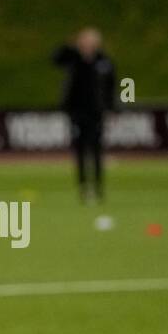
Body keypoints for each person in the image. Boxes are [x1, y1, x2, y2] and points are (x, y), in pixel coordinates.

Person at [53, 27, 117, 203]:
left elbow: (112, 86)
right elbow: (55, 59)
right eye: (85, 41)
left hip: (96, 113)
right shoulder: (73, 59)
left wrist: (112, 108)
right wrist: (70, 45)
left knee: (96, 150)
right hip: (76, 112)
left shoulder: (104, 61)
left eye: (91, 41)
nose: (88, 45)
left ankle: (98, 187)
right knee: (80, 150)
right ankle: (83, 187)